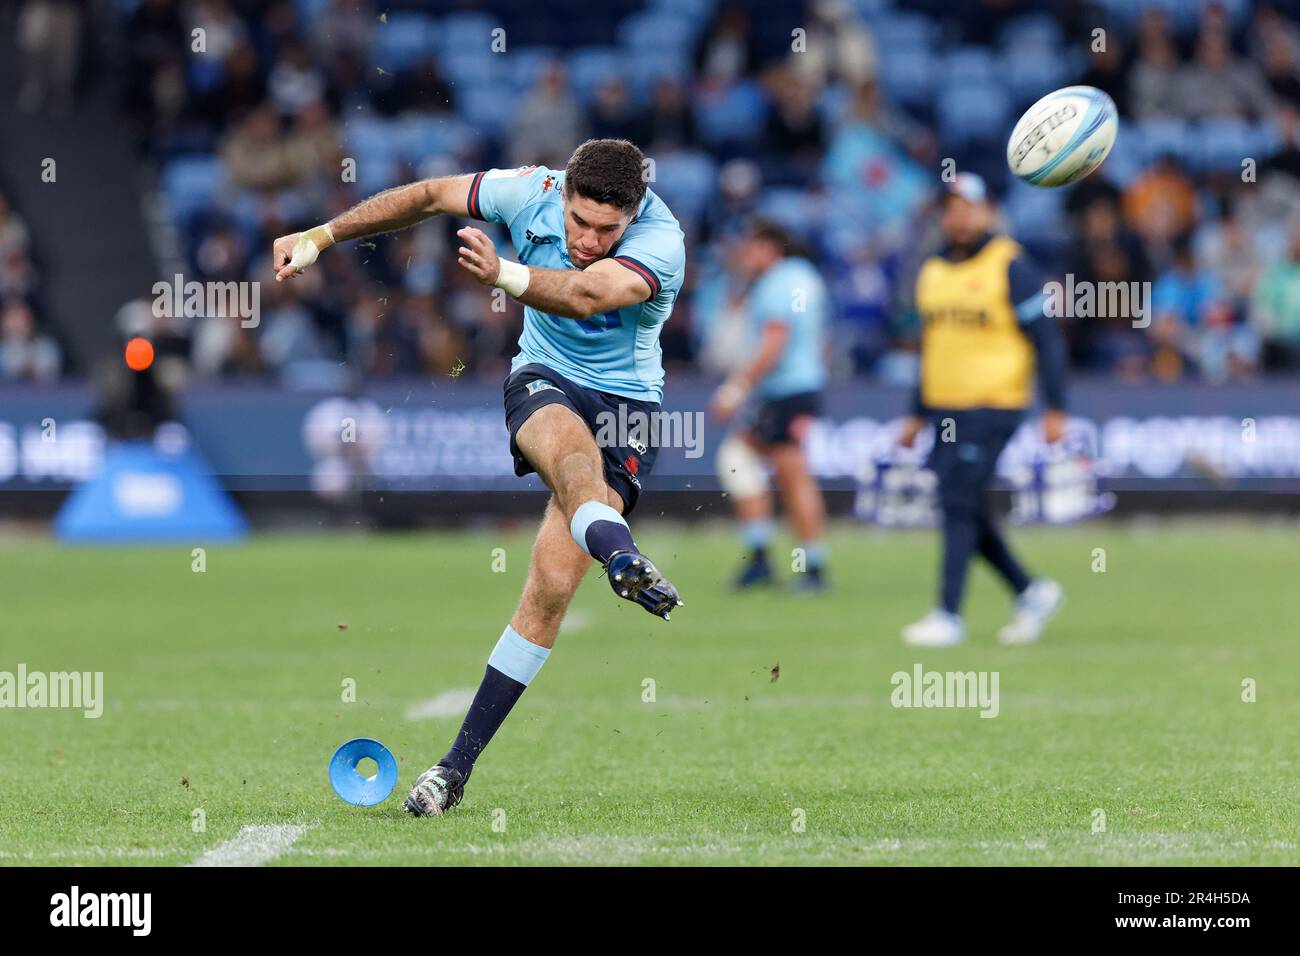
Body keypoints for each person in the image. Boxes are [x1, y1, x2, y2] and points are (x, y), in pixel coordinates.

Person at [272, 139, 685, 815]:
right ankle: (623, 558)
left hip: (628, 408)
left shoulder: (663, 239)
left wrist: (505, 276)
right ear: (562, 195)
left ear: (633, 216)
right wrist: (323, 234)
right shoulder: (527, 190)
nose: (588, 239)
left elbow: (585, 296)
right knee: (574, 467)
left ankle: (453, 771)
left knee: (550, 588)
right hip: (546, 380)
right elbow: (430, 193)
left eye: (607, 230)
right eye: (579, 223)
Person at [897, 174, 1067, 647]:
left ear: (986, 211)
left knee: (958, 503)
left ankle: (947, 615)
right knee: (963, 503)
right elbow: (932, 348)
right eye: (949, 208)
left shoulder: (1010, 265)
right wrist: (915, 414)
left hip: (995, 404)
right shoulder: (932, 268)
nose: (958, 216)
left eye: (966, 207)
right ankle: (1031, 590)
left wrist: (1056, 408)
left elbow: (1047, 341)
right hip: (945, 409)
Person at [711, 218, 830, 593]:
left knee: (791, 474)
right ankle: (769, 557)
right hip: (798, 387)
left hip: (786, 391)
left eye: (751, 247)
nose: (746, 256)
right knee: (743, 459)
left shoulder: (778, 282)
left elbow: (775, 343)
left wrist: (735, 390)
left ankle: (811, 568)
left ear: (767, 248)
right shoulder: (804, 276)